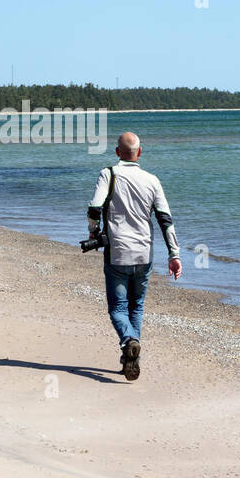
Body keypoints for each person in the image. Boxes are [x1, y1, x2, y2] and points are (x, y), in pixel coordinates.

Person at [86, 131, 181, 381]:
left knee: (118, 307)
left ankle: (129, 341)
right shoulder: (152, 180)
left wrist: (93, 232)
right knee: (136, 306)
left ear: (118, 152)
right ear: (140, 152)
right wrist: (174, 254)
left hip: (117, 254)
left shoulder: (109, 174)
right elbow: (165, 220)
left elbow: (94, 208)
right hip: (144, 254)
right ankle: (132, 356)